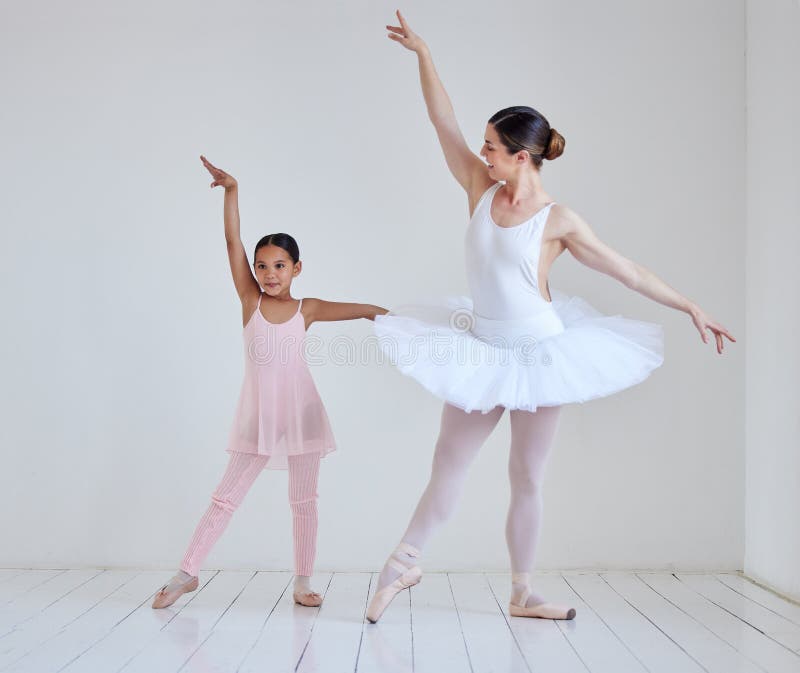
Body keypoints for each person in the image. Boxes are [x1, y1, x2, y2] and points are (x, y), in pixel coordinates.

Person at [367, 11, 735, 623]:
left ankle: (522, 593)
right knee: (449, 463)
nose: (481, 152)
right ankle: (401, 564)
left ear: (521, 156)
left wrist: (691, 305)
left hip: (540, 353)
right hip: (482, 348)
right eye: (483, 144)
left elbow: (628, 271)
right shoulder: (479, 187)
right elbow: (442, 120)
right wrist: (424, 55)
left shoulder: (558, 220)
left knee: (527, 477)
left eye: (492, 146)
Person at [152, 156, 388, 609]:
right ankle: (187, 572)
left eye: (279, 265)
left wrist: (402, 321)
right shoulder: (250, 301)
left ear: (296, 268)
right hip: (258, 416)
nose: (269, 274)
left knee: (304, 501)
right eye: (262, 266)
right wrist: (232, 190)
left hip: (303, 415)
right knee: (225, 498)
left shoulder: (307, 309)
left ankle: (303, 581)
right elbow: (232, 240)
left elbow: (362, 310)